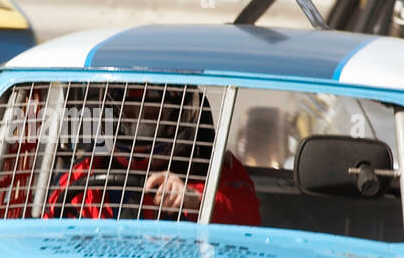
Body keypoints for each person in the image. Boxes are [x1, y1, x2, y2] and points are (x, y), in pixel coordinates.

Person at [43, 85, 261, 225]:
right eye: (129, 114)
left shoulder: (214, 169)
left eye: (152, 115)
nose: (140, 126)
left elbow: (249, 217)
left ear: (178, 114)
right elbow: (49, 227)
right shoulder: (86, 172)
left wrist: (193, 198)